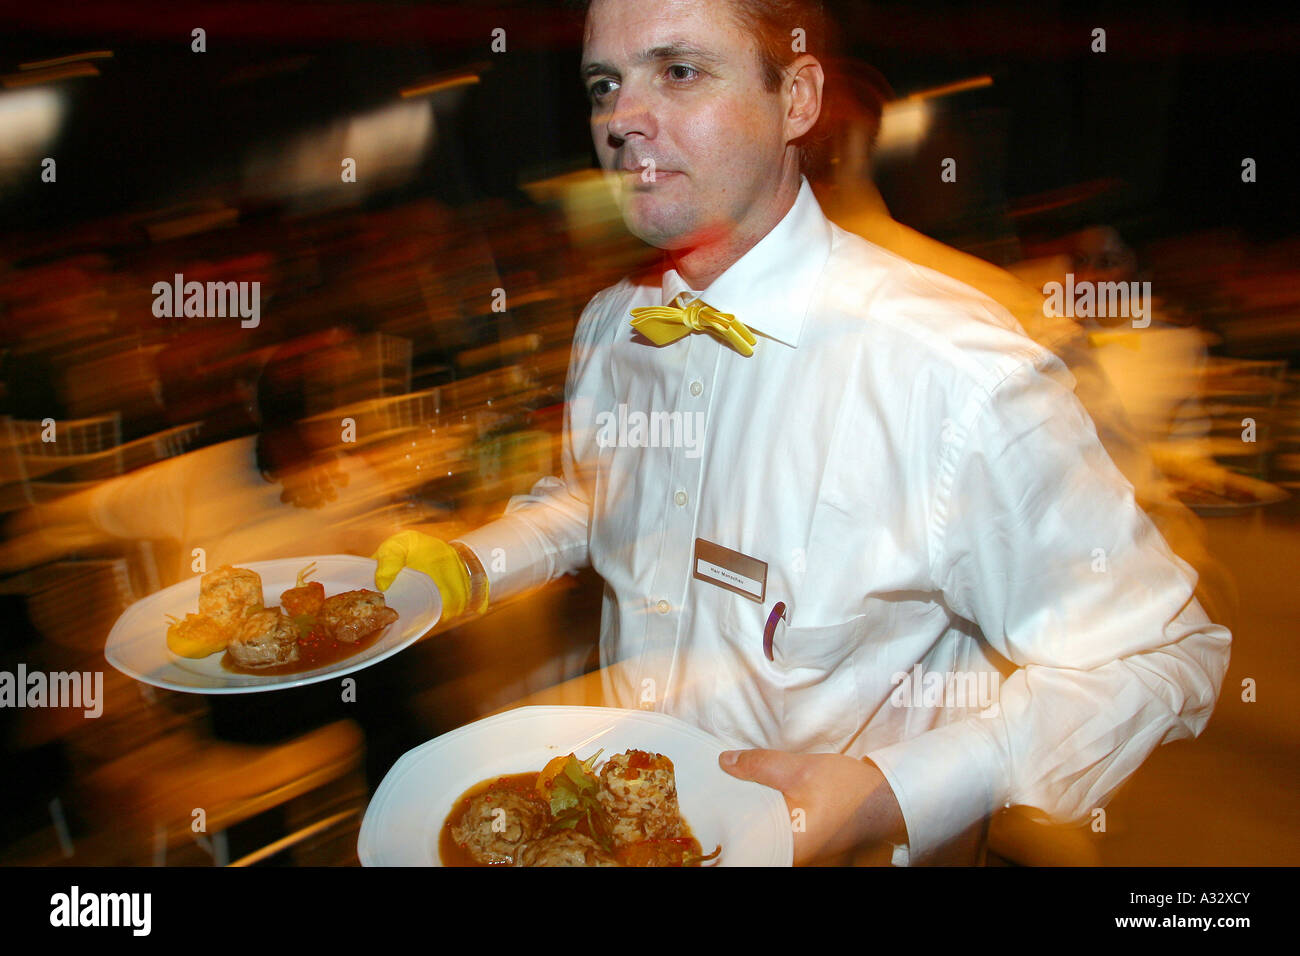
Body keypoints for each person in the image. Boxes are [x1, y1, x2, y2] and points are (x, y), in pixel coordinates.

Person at [373, 0, 1231, 865]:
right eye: (605, 84)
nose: (620, 120)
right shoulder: (612, 325)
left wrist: (892, 794)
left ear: (798, 100)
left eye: (678, 71)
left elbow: (1162, 655)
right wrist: (475, 566)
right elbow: (594, 499)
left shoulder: (953, 371)